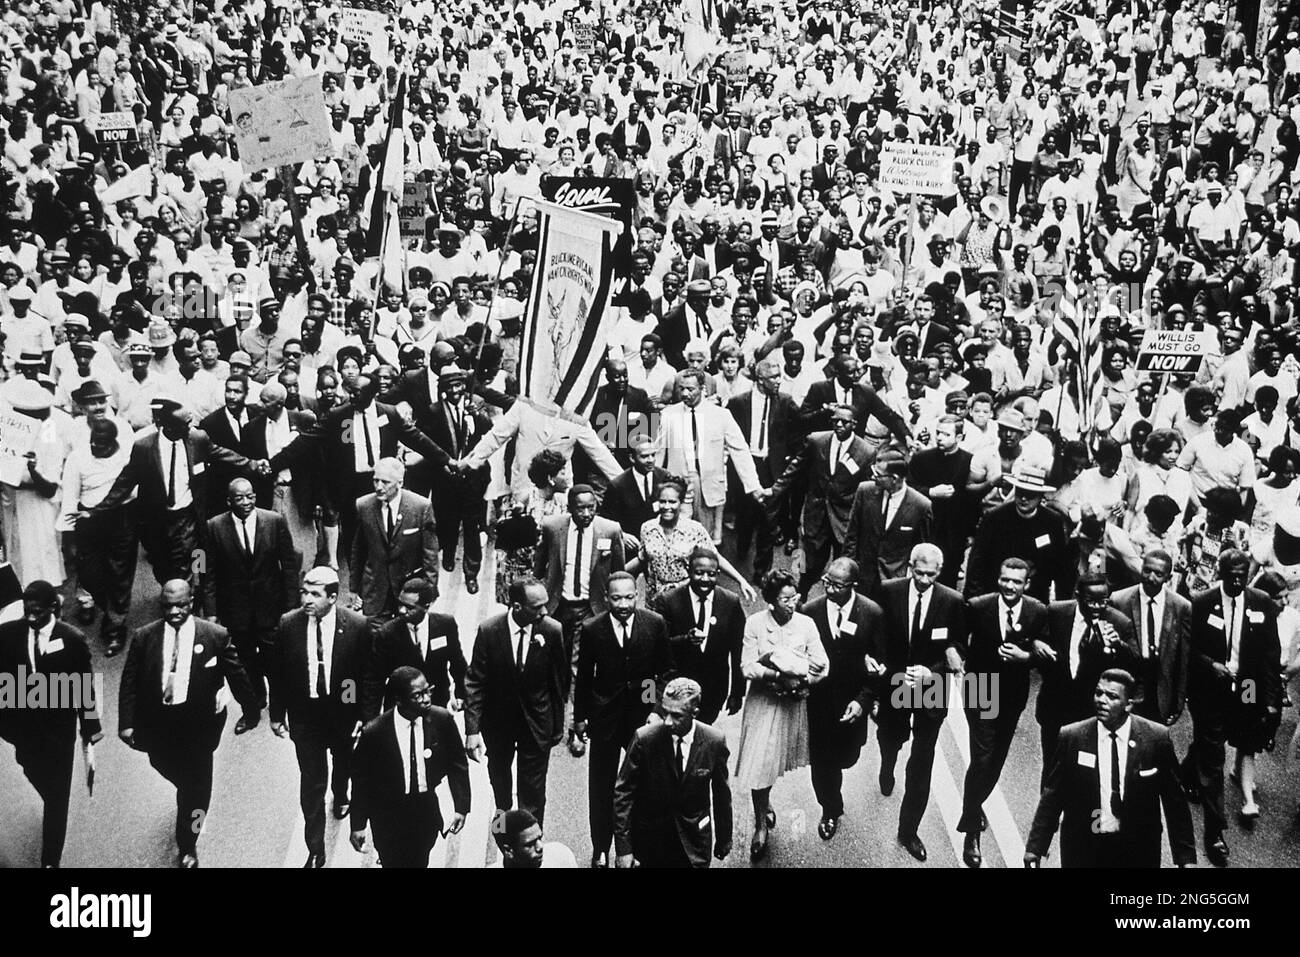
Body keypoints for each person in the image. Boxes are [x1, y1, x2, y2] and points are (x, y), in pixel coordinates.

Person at [118, 579, 258, 868]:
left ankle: (188, 845)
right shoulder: (145, 637)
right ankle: (188, 792)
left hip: (199, 729)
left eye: (181, 605)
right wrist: (126, 722)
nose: (175, 611)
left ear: (191, 602)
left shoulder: (215, 636)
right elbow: (129, 681)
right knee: (167, 769)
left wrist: (251, 709)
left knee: (196, 795)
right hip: (159, 727)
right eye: (168, 606)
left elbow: (237, 674)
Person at [1025, 669, 1196, 868]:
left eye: (1112, 696)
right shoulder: (1072, 737)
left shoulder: (1156, 739)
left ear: (1129, 704)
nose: (1101, 700)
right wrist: (1035, 848)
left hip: (1137, 850)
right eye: (1098, 693)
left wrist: (1186, 858)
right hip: (1084, 849)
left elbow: (1175, 801)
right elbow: (1053, 796)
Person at [263, 566, 371, 868]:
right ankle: (315, 849)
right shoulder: (288, 624)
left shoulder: (358, 626)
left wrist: (362, 713)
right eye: (304, 592)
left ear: (333, 597)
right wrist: (276, 714)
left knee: (344, 762)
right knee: (311, 783)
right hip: (306, 717)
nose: (306, 600)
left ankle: (341, 793)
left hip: (342, 713)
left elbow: (364, 675)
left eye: (314, 594)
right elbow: (279, 673)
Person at [868, 543, 966, 863]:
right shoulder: (888, 591)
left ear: (940, 572)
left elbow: (957, 646)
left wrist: (933, 671)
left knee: (922, 761)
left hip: (931, 688)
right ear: (909, 567)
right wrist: (891, 675)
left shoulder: (952, 601)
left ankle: (908, 830)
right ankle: (886, 765)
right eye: (919, 573)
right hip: (896, 682)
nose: (924, 580)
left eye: (932, 575)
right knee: (890, 738)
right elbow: (877, 638)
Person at [1187, 549, 1283, 866]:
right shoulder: (1201, 603)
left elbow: (1270, 654)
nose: (1238, 581)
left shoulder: (1261, 603)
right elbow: (1188, 648)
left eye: (1243, 575)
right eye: (1232, 575)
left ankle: (1187, 768)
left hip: (1246, 687)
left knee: (1241, 736)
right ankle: (1215, 832)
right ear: (1220, 572)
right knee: (1214, 759)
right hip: (1212, 690)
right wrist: (1210, 664)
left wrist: (1269, 701)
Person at [573, 572, 672, 867]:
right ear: (606, 598)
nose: (624, 604)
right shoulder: (592, 628)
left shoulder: (654, 624)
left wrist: (652, 708)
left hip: (640, 715)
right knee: (601, 785)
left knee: (640, 783)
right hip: (604, 717)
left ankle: (634, 847)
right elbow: (584, 679)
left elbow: (664, 670)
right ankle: (601, 847)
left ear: (637, 596)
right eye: (616, 598)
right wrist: (580, 719)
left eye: (629, 597)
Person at [0, 581, 101, 868]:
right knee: (33, 772)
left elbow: (84, 687)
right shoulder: (8, 635)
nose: (31, 617)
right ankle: (50, 796)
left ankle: (50, 861)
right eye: (27, 611)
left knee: (57, 799)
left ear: (53, 607)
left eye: (37, 612)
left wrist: (91, 728)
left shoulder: (72, 638)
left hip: (59, 733)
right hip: (23, 731)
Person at [734, 569, 828, 863]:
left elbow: (822, 664)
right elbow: (747, 666)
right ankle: (761, 823)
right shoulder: (755, 624)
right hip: (764, 702)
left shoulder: (807, 624)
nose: (793, 602)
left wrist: (804, 682)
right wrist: (776, 675)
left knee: (773, 764)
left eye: (795, 596)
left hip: (792, 705)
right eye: (786, 598)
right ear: (771, 602)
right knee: (759, 765)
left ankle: (765, 801)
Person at [959, 558, 1047, 868]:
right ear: (998, 579)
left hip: (1011, 695)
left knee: (995, 761)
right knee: (982, 758)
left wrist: (1026, 656)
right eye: (1005, 579)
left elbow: (1047, 651)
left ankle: (974, 803)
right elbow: (958, 639)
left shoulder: (1037, 611)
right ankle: (971, 828)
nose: (1010, 586)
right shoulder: (978, 606)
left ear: (1027, 585)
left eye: (1016, 582)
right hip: (980, 687)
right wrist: (955, 657)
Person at [464, 578, 568, 824]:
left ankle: (530, 843)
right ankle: (503, 827)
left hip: (537, 723)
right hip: (498, 725)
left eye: (545, 604)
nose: (545, 611)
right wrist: (472, 730)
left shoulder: (552, 631)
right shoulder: (489, 631)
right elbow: (475, 681)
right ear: (517, 607)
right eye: (537, 606)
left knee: (533, 792)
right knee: (500, 782)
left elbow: (559, 683)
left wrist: (557, 726)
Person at [201, 478, 299, 726]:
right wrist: (210, 612)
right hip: (235, 611)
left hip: (271, 607)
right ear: (229, 501)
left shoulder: (274, 521)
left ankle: (279, 713)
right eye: (239, 498)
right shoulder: (213, 526)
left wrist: (292, 607)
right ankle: (253, 709)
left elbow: (289, 565)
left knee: (276, 663)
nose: (246, 502)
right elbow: (207, 572)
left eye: (250, 497)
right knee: (244, 664)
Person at [349, 667, 469, 868]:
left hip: (425, 810)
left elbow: (457, 764)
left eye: (427, 691)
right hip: (389, 816)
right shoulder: (375, 733)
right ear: (399, 699)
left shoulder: (443, 720)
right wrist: (358, 825)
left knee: (419, 859)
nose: (426, 699)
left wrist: (461, 807)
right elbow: (362, 782)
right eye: (417, 695)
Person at [613, 676, 733, 869]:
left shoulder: (714, 742)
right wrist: (624, 849)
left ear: (695, 713)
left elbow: (722, 794)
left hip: (694, 843)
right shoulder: (644, 739)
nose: (668, 722)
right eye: (665, 712)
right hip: (651, 842)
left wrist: (724, 837)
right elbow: (623, 794)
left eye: (677, 716)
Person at [1034, 574, 1141, 787]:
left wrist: (1118, 645)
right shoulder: (1057, 612)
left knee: (1084, 773)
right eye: (1090, 601)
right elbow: (1038, 637)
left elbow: (1135, 664)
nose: (1097, 607)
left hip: (1091, 713)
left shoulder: (1120, 622)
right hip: (1055, 708)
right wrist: (1037, 644)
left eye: (1103, 601)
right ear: (1078, 596)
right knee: (1052, 769)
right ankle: (1049, 818)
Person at [801, 558, 877, 841]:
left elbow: (880, 664)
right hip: (818, 704)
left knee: (847, 757)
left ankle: (835, 783)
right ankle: (830, 808)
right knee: (822, 764)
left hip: (852, 703)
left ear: (853, 586)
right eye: (827, 582)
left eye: (838, 585)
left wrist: (864, 700)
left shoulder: (872, 613)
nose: (830, 589)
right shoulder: (809, 612)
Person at [769, 404, 875, 595]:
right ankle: (798, 589)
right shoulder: (816, 440)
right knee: (802, 559)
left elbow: (868, 491)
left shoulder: (867, 452)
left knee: (843, 566)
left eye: (845, 422)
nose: (839, 425)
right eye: (835, 421)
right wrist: (775, 491)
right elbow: (794, 468)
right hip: (814, 513)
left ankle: (835, 600)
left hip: (845, 519)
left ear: (854, 424)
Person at [656, 368, 766, 543]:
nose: (685, 393)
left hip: (710, 487)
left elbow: (740, 451)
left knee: (706, 540)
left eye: (690, 389)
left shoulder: (721, 415)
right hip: (679, 486)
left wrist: (753, 486)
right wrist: (655, 486)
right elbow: (659, 453)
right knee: (678, 537)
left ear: (702, 388)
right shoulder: (669, 415)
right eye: (681, 388)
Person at [534, 483, 627, 688]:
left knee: (580, 660)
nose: (586, 513)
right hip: (559, 604)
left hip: (591, 607)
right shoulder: (552, 527)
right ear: (570, 508)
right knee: (557, 656)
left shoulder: (610, 530)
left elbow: (620, 574)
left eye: (591, 507)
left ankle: (576, 710)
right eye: (580, 508)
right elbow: (538, 567)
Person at [651, 546, 747, 725]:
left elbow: (738, 650)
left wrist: (737, 693)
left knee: (701, 739)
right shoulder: (668, 601)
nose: (705, 579)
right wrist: (685, 640)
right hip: (676, 690)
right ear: (688, 571)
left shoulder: (730, 602)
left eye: (711, 574)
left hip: (713, 691)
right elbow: (658, 647)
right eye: (699, 573)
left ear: (718, 574)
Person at [966, 460, 1074, 602]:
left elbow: (1061, 566)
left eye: (1030, 495)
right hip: (995, 591)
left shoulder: (1052, 521)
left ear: (1041, 497)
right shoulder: (994, 518)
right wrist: (975, 601)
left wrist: (1062, 607)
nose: (1024, 499)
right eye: (1020, 492)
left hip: (1034, 596)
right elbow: (977, 562)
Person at [631, 478, 755, 602]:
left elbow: (715, 557)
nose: (667, 506)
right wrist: (614, 573)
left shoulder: (694, 530)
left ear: (681, 502)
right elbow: (642, 558)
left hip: (684, 598)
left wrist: (741, 580)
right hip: (656, 599)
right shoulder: (647, 528)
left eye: (672, 502)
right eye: (663, 502)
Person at [363, 577, 466, 719]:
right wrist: (370, 719)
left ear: (427, 605)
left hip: (436, 704)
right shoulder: (386, 634)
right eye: (400, 604)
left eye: (410, 607)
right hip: (401, 709)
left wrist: (462, 694)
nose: (402, 610)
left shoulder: (445, 625)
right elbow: (374, 680)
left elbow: (458, 662)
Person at [1109, 550, 1192, 726]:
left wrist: (1178, 703)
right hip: (1130, 681)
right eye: (1147, 571)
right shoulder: (1119, 600)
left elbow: (1183, 659)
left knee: (1155, 741)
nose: (1151, 578)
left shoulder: (1181, 606)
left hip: (1160, 684)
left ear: (1168, 578)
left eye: (1159, 574)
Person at [348, 457, 438, 617]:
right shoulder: (363, 506)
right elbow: (358, 550)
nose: (379, 487)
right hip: (375, 592)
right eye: (375, 481)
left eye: (385, 482)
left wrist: (428, 592)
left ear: (400, 483)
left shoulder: (420, 508)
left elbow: (430, 556)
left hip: (407, 593)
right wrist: (353, 588)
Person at [843, 449, 934, 598]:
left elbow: (920, 549)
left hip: (894, 582)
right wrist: (849, 569)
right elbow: (851, 535)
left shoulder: (921, 506)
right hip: (863, 577)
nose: (873, 477)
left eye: (878, 475)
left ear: (895, 478)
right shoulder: (864, 491)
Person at [494, 449, 569, 606]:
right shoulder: (525, 498)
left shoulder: (562, 502)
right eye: (562, 473)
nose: (568, 478)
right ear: (550, 478)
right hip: (520, 568)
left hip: (545, 569)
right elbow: (503, 534)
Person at [490, 808, 578, 869]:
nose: (540, 847)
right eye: (530, 844)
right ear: (509, 851)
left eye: (539, 838)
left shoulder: (561, 857)